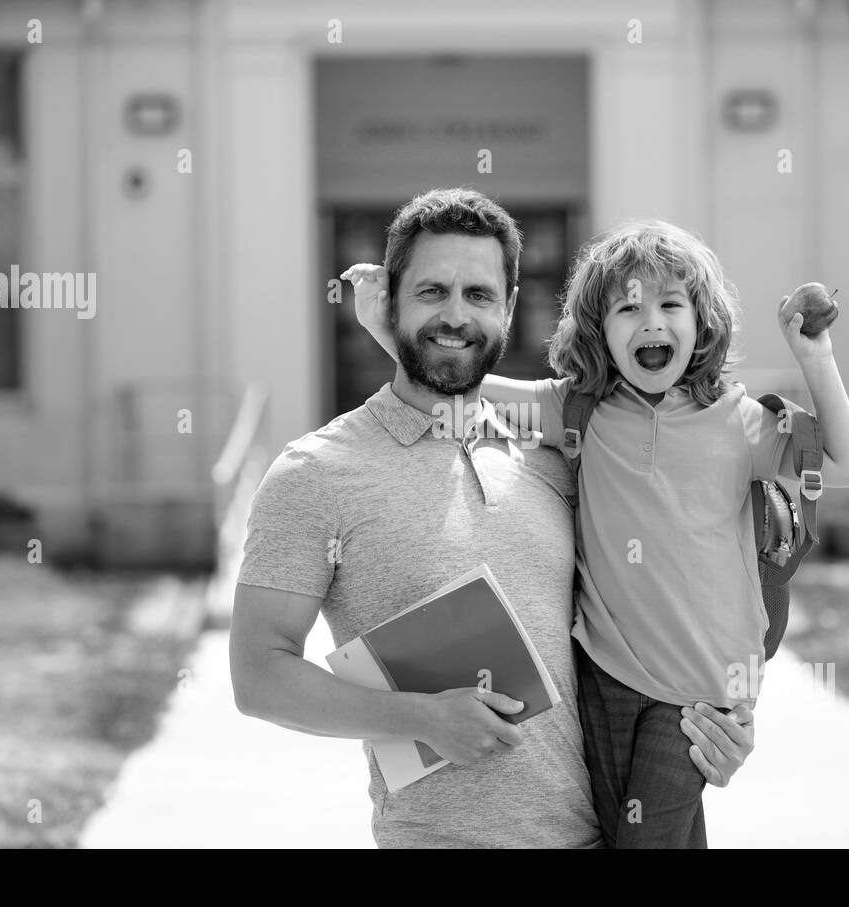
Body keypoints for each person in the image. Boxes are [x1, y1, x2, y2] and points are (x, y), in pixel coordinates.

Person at [230, 189, 755, 848]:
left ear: (508, 307)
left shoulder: (556, 457)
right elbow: (259, 676)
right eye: (432, 291)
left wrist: (718, 722)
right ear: (391, 304)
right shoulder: (316, 473)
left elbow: (673, 593)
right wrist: (419, 717)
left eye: (478, 295)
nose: (456, 315)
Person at [347, 217, 849, 848]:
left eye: (671, 304)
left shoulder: (739, 421)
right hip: (607, 676)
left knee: (647, 837)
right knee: (633, 833)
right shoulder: (576, 410)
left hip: (701, 694)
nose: (651, 322)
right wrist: (383, 327)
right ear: (599, 331)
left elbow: (844, 464)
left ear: (702, 322)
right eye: (628, 308)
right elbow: (461, 395)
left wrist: (816, 357)